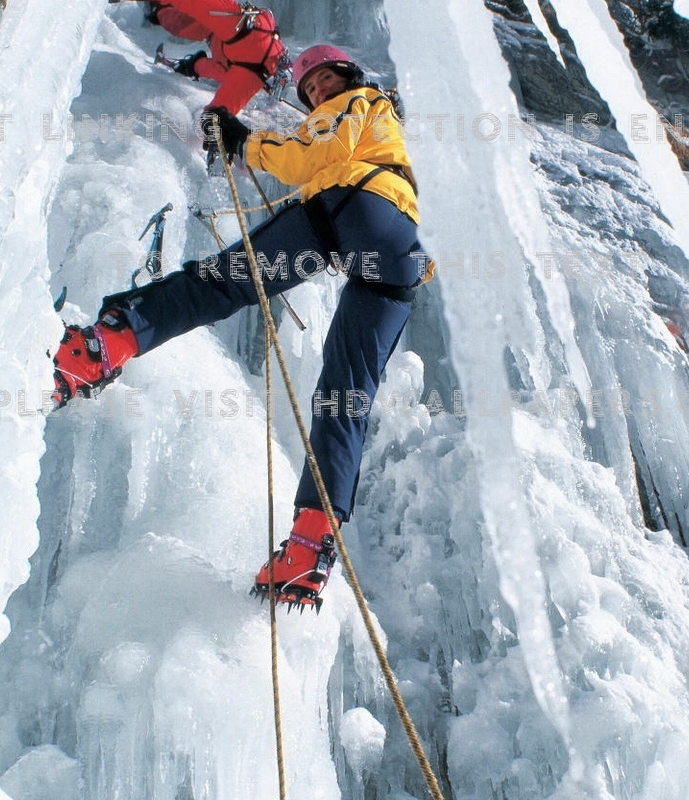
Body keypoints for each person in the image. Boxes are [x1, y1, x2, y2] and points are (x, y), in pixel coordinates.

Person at [51, 40, 424, 610]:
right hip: (396, 256)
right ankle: (309, 548)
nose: (319, 92)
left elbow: (310, 154)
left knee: (223, 282)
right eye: (311, 90)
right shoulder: (384, 123)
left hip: (354, 205)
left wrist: (243, 141)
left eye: (324, 80)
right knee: (345, 395)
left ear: (347, 75)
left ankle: (103, 346)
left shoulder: (359, 102)